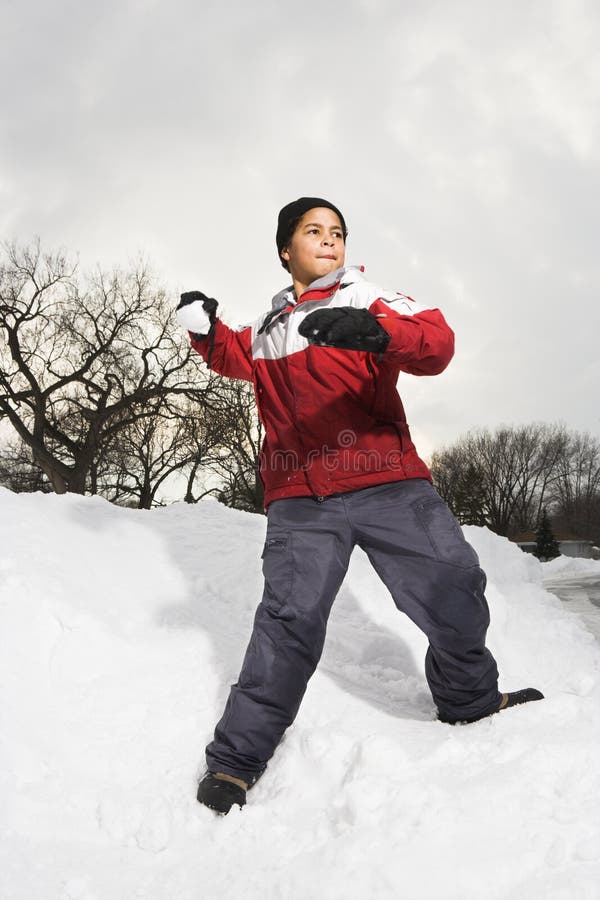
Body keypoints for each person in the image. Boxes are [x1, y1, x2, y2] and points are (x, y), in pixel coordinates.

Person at [176, 197, 543, 816]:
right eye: (313, 231)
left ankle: (469, 698)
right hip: (300, 499)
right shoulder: (268, 329)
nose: (329, 240)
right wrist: (203, 328)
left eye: (338, 232)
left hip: (388, 482)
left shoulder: (366, 298)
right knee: (287, 621)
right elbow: (230, 356)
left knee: (455, 590)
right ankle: (236, 762)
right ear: (285, 250)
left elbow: (437, 343)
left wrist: (378, 335)